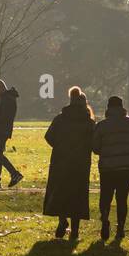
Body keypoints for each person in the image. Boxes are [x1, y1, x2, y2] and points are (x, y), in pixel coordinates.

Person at [92, 94, 129, 242]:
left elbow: (95, 148)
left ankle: (104, 220)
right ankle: (120, 228)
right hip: (127, 167)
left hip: (108, 167)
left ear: (108, 108)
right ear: (122, 107)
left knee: (106, 196)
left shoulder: (102, 125)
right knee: (122, 198)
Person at [42, 86, 94, 239]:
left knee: (61, 191)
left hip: (61, 161)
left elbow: (49, 136)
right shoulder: (88, 121)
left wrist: (60, 147)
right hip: (81, 163)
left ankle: (62, 220)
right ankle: (75, 230)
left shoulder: (60, 118)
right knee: (78, 194)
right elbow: (94, 141)